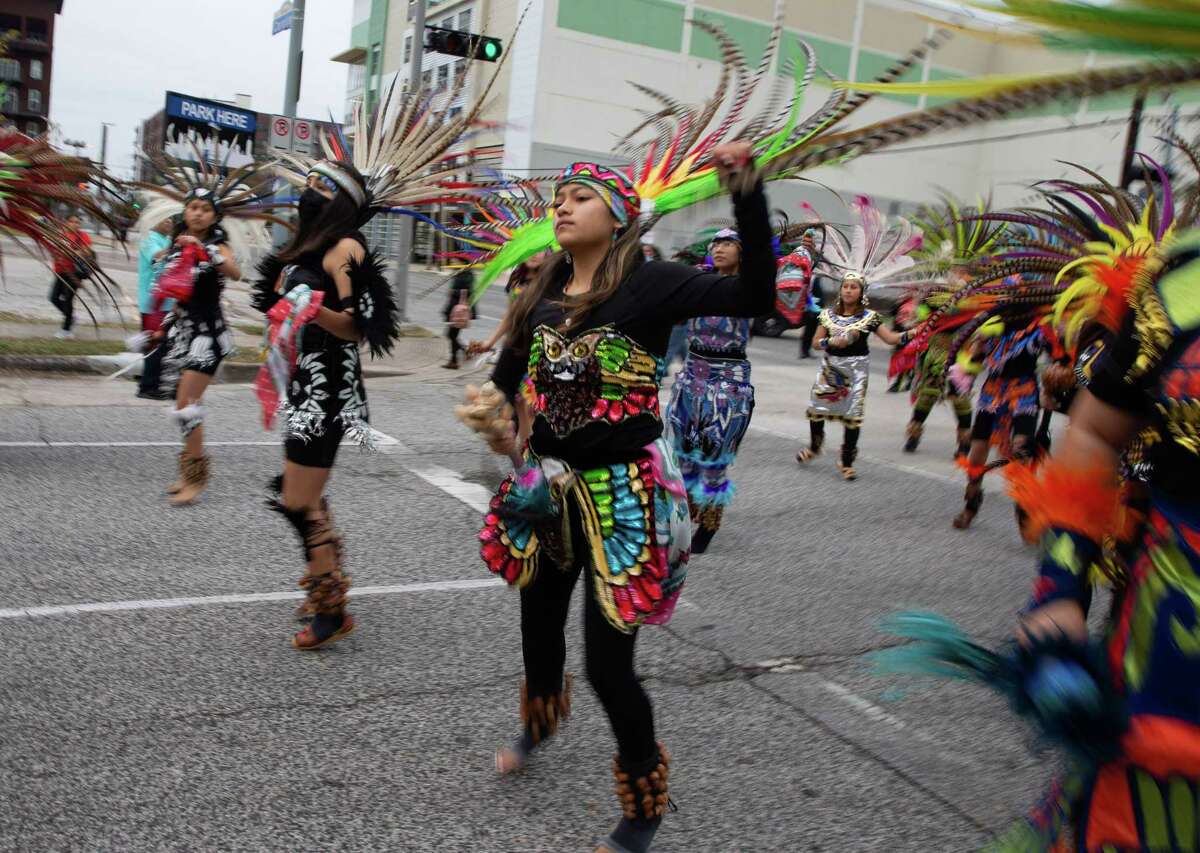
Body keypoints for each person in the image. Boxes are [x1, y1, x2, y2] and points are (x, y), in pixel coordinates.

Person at [462, 148, 774, 853]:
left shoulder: (651, 283)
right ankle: (540, 721)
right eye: (560, 198)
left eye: (580, 197)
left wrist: (748, 194)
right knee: (538, 633)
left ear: (619, 216)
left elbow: (756, 295)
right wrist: (497, 419)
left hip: (623, 498)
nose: (562, 207)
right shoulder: (544, 290)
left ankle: (643, 799)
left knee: (609, 666)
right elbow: (509, 378)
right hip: (550, 489)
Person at [254, 158, 399, 650]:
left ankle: (331, 607)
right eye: (310, 181)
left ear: (342, 202)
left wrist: (313, 312)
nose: (309, 190)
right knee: (304, 494)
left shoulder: (345, 246)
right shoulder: (312, 246)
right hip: (306, 386)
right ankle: (328, 576)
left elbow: (358, 326)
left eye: (322, 184)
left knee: (297, 501)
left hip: (329, 392)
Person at [795, 200, 916, 480]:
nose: (848, 290)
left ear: (861, 292)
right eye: (845, 286)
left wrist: (913, 333)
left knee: (853, 417)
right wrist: (830, 344)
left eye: (853, 287)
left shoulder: (870, 317)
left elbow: (890, 338)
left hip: (856, 370)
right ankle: (815, 446)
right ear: (841, 290)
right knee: (816, 409)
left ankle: (847, 461)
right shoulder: (827, 315)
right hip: (830, 368)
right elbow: (815, 343)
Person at [665, 228, 755, 554]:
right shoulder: (697, 281)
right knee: (683, 454)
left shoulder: (749, 287)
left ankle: (709, 523)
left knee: (714, 457)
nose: (719, 248)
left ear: (742, 252)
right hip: (692, 375)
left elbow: (788, 303)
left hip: (727, 380)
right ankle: (684, 514)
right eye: (716, 243)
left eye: (728, 244)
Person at [136, 218, 174, 400]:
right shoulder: (148, 238)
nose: (169, 222)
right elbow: (157, 256)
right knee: (154, 345)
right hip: (153, 304)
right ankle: (147, 387)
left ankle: (154, 381)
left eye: (171, 218)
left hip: (168, 303)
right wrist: (176, 247)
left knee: (164, 345)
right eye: (165, 218)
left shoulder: (168, 239)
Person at [47, 213, 93, 339]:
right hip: (60, 271)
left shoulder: (82, 236)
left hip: (74, 273)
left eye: (77, 222)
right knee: (53, 298)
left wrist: (69, 252)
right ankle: (71, 317)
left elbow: (86, 252)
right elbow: (54, 250)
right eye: (72, 221)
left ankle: (66, 330)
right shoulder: (60, 235)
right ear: (66, 223)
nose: (75, 224)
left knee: (68, 300)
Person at [442, 268, 476, 369]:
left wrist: (453, 292)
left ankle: (455, 360)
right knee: (451, 335)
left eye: (455, 260)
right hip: (456, 310)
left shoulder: (466, 275)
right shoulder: (461, 273)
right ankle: (461, 354)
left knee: (451, 335)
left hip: (459, 312)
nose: (453, 261)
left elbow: (467, 292)